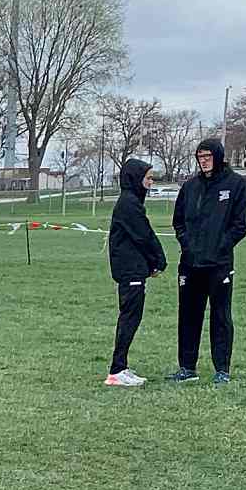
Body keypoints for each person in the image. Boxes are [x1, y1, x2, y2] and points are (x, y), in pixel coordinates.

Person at [170, 138, 246, 384]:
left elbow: (241, 225)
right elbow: (178, 221)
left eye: (207, 157)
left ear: (218, 157)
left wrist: (221, 246)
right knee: (188, 315)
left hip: (219, 264)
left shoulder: (236, 184)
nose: (203, 161)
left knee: (220, 316)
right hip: (190, 264)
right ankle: (187, 367)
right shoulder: (190, 187)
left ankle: (222, 369)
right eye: (200, 157)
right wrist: (187, 244)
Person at [106, 159, 166, 387]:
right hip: (129, 270)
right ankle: (116, 371)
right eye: (148, 178)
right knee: (129, 317)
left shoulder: (132, 202)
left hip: (135, 269)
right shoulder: (128, 204)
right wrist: (158, 260)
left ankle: (121, 367)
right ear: (136, 178)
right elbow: (143, 235)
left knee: (133, 316)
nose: (151, 182)